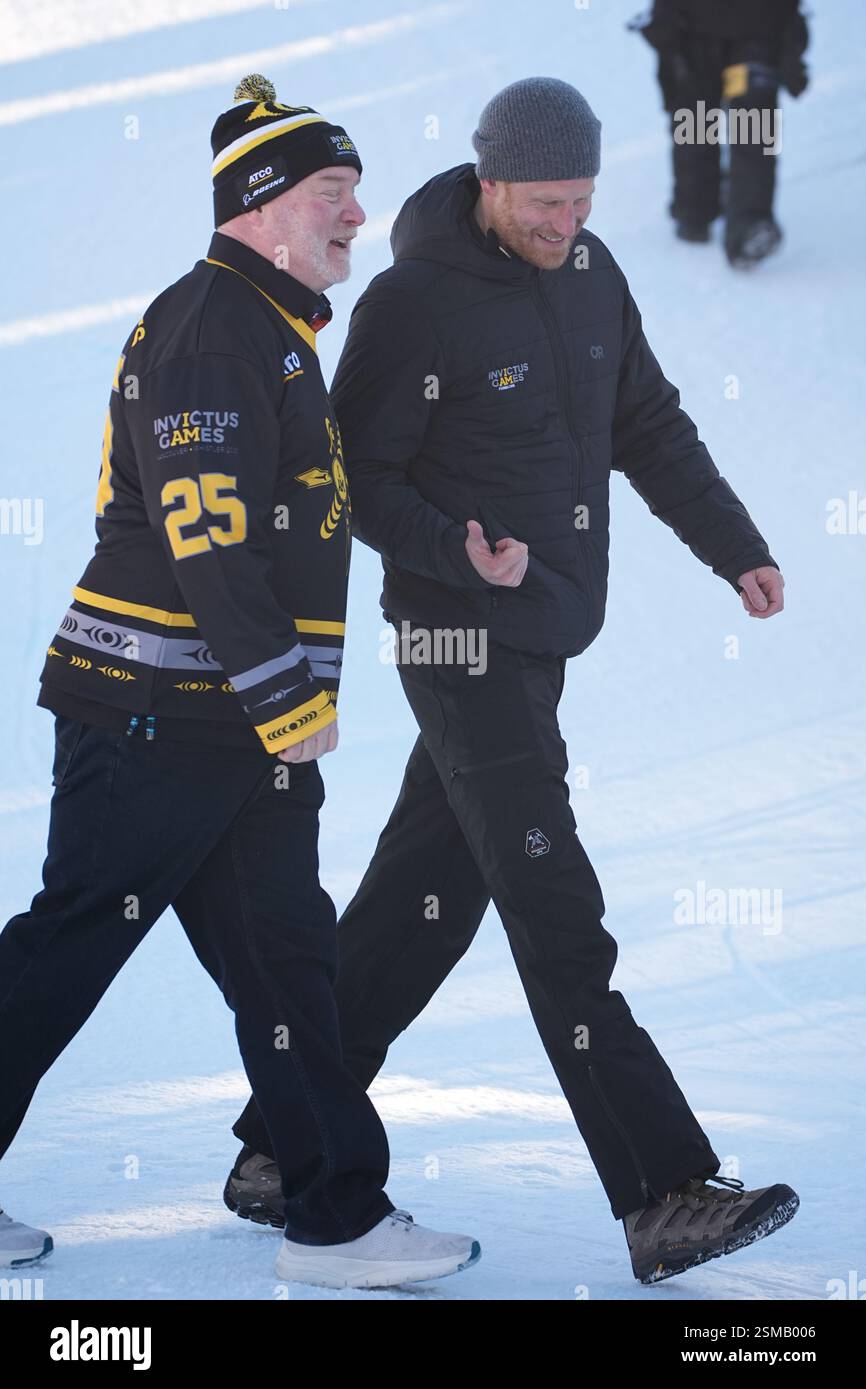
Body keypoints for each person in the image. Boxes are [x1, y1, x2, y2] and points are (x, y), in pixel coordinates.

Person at [225, 76, 799, 1286]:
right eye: (544, 200)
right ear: (489, 181)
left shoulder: (589, 276)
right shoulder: (412, 302)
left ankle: (280, 1139)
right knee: (552, 902)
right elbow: (351, 480)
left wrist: (733, 543)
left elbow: (646, 423)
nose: (565, 221)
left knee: (419, 903)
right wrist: (454, 551)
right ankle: (660, 1191)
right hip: (456, 640)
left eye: (583, 197)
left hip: (542, 636)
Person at [0, 74, 480, 1291]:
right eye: (333, 193)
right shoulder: (216, 328)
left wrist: (445, 545)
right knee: (68, 946)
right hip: (157, 711)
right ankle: (335, 1203)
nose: (355, 217)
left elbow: (309, 510)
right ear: (260, 206)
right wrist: (284, 695)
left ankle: (334, 1214)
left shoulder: (266, 331)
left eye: (358, 196)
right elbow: (203, 530)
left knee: (284, 960)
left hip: (228, 722)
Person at [630, 0, 809, 266]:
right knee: (698, 125)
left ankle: (748, 226)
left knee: (752, 130)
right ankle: (695, 211)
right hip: (696, 31)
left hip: (755, 30)